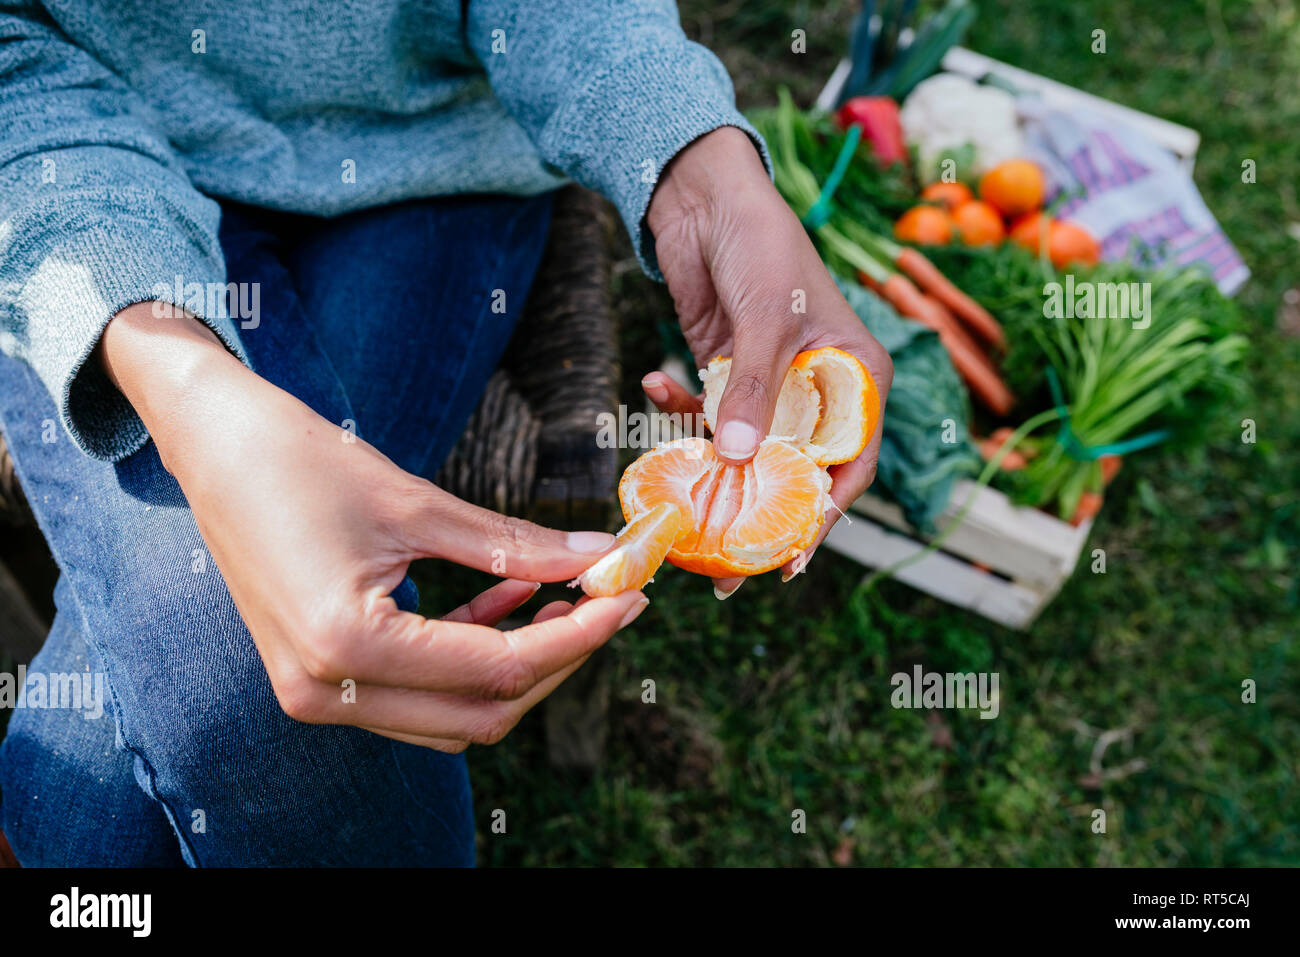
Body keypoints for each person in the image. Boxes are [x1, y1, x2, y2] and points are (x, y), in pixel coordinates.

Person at [0, 0, 891, 865]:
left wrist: (701, 168)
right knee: (224, 642)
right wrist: (178, 376)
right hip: (80, 182)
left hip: (431, 167)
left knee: (135, 774)